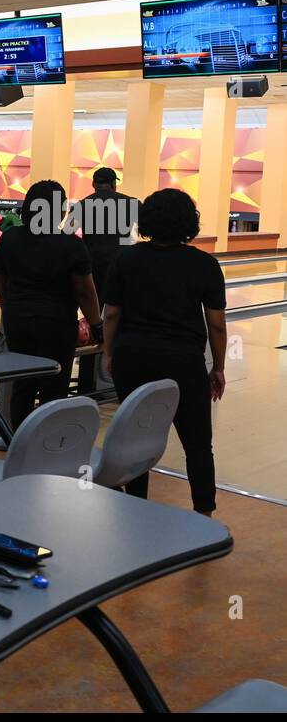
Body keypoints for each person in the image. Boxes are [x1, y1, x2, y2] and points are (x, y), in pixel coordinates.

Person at [102, 188, 226, 516]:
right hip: (183, 362)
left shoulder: (125, 259)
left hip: (133, 358)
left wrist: (108, 352)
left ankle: (135, 508)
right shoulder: (205, 264)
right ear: (190, 222)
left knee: (135, 435)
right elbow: (216, 325)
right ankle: (204, 513)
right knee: (198, 442)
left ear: (147, 220)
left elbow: (111, 313)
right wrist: (219, 367)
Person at [0, 179, 104, 429]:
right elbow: (85, 292)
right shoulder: (71, 244)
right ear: (60, 210)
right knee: (54, 385)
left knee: (23, 384)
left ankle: (18, 442)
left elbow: (0, 284)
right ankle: (46, 446)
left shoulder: (9, 239)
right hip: (56, 324)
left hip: (18, 321)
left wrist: (12, 310)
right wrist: (97, 326)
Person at [78, 166, 137, 295]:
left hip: (91, 266)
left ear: (93, 184)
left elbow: (68, 234)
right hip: (121, 263)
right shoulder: (131, 203)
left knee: (95, 305)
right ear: (114, 184)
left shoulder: (82, 205)